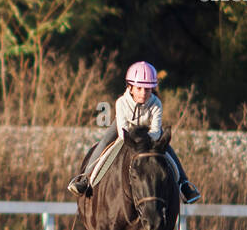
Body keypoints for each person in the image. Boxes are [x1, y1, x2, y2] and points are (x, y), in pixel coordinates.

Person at [67, 61, 201, 203]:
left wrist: (143, 140)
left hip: (148, 133)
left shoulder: (156, 104)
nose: (143, 93)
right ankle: (85, 179)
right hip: (125, 130)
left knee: (166, 147)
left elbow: (155, 131)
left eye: (148, 90)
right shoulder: (121, 102)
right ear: (130, 87)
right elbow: (123, 131)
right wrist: (134, 139)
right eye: (139, 88)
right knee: (105, 141)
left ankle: (185, 185)